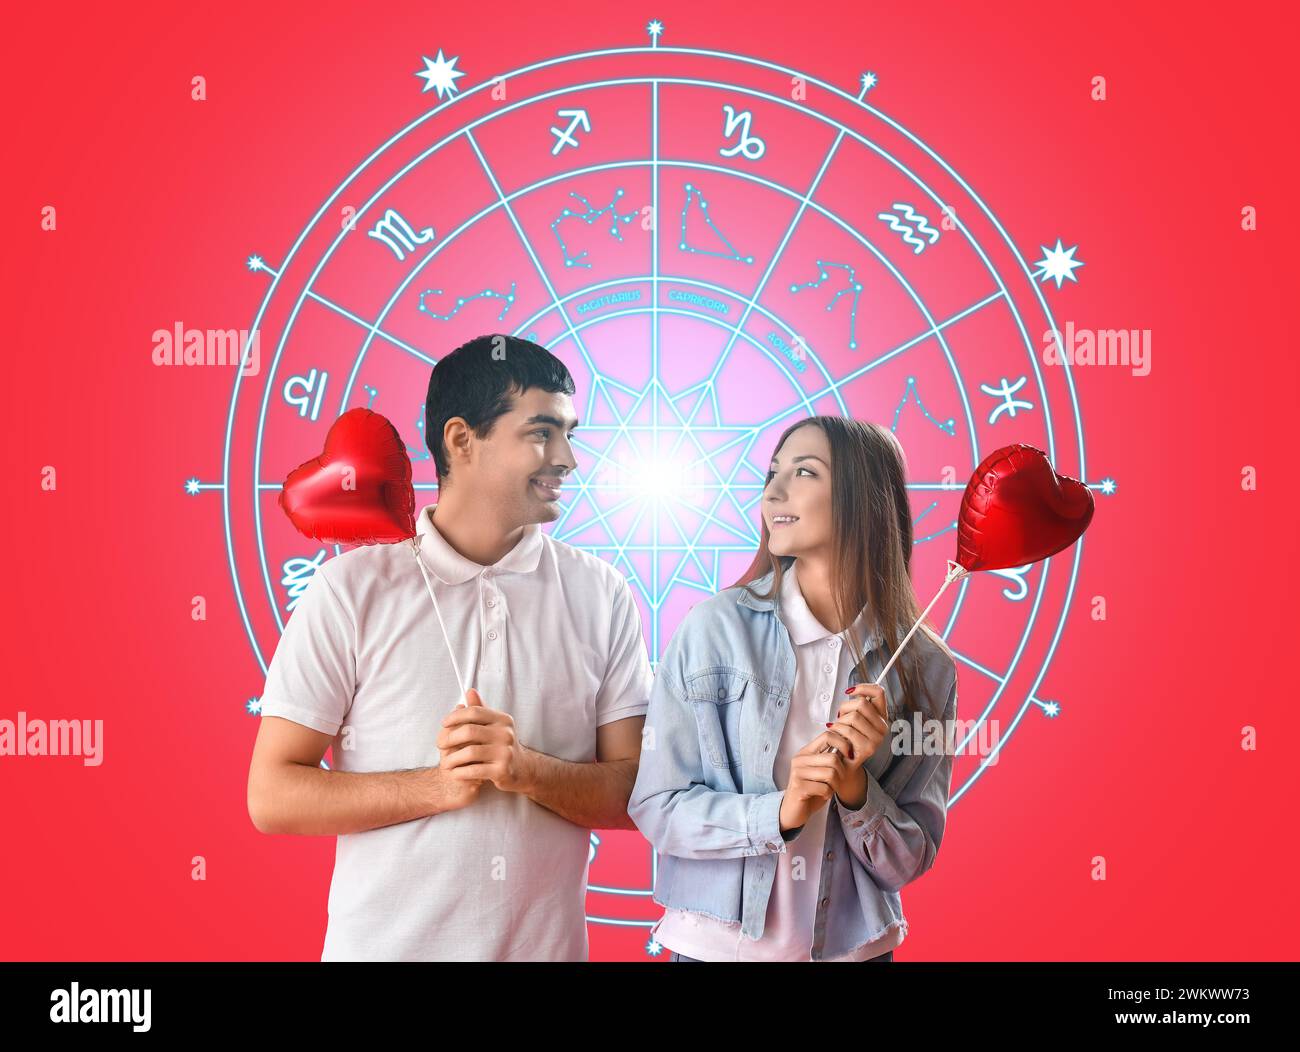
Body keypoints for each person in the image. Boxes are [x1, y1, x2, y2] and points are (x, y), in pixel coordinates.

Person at [247, 334, 653, 961]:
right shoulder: (351, 590)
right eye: (542, 432)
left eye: (571, 433)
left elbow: (637, 793)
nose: (567, 458)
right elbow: (272, 795)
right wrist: (436, 786)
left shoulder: (601, 594)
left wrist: (527, 771)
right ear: (462, 439)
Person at [628, 416, 958, 961]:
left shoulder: (925, 667)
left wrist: (855, 791)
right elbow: (658, 808)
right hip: (714, 950)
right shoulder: (713, 629)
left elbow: (907, 860)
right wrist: (782, 810)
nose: (773, 491)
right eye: (772, 473)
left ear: (864, 498)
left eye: (803, 472)